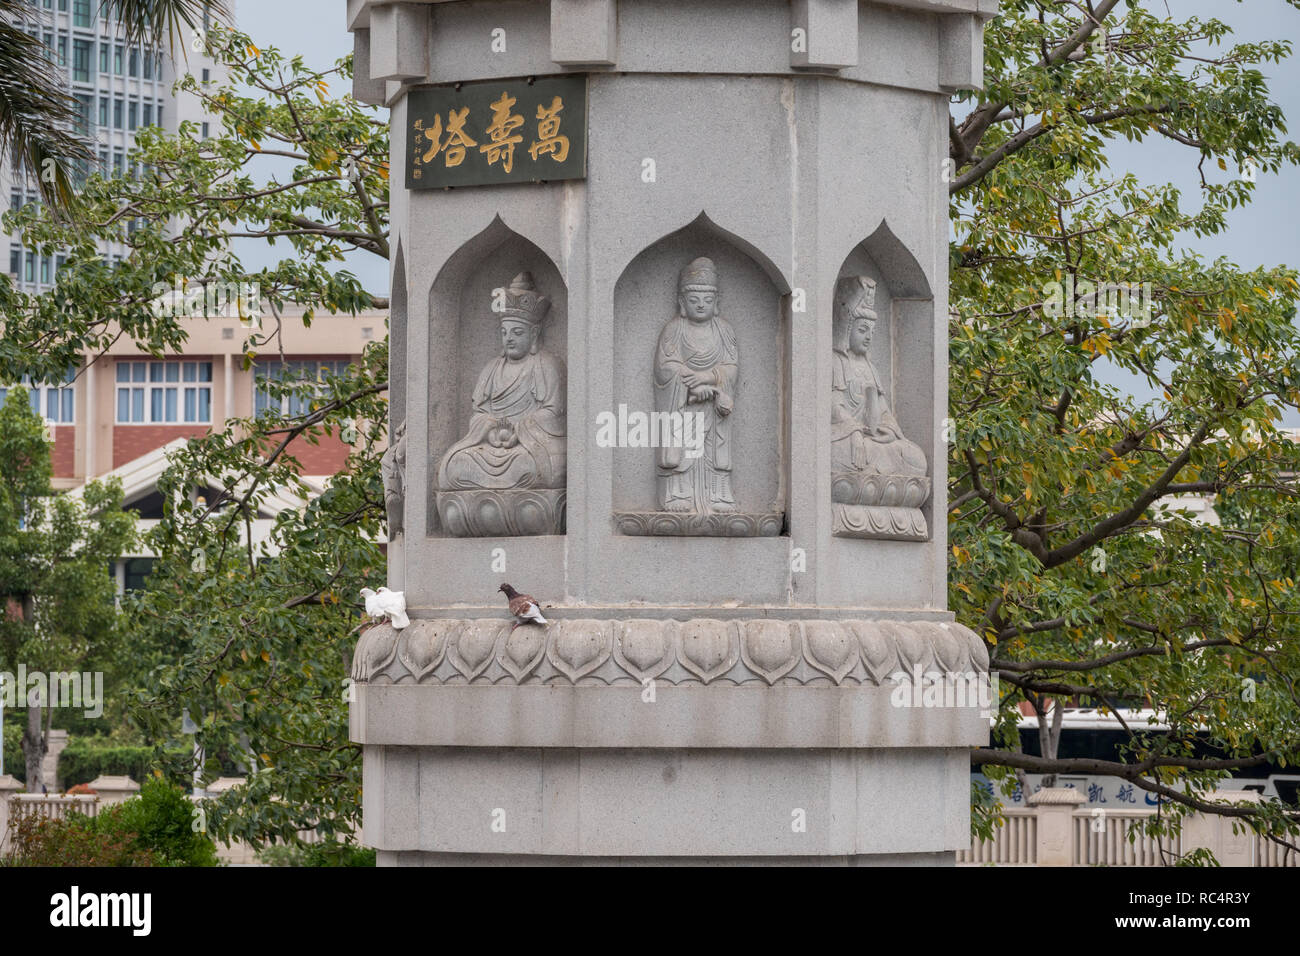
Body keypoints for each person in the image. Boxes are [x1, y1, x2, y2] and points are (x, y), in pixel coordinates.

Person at [437, 272, 566, 491]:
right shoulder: (492, 369)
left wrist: (519, 428)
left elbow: (554, 413)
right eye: (504, 332)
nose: (509, 338)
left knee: (542, 467)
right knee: (455, 465)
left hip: (528, 445)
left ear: (534, 333)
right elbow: (478, 413)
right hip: (491, 443)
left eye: (517, 332)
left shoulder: (547, 365)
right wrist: (489, 426)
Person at [654, 256, 738, 513]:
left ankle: (719, 496)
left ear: (716, 303)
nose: (701, 305)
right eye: (694, 300)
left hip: (714, 406)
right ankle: (677, 494)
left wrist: (708, 379)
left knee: (715, 451)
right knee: (684, 448)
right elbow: (665, 368)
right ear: (682, 302)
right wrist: (690, 384)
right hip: (684, 405)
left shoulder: (724, 330)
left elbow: (732, 367)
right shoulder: (674, 330)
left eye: (707, 300)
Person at [830, 275, 926, 477]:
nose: (868, 337)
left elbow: (884, 414)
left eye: (871, 332)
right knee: (833, 455)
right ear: (847, 330)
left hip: (873, 442)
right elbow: (834, 407)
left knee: (915, 458)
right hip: (845, 437)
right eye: (862, 330)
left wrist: (888, 430)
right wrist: (854, 432)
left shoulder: (871, 368)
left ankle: (875, 478)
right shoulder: (836, 362)